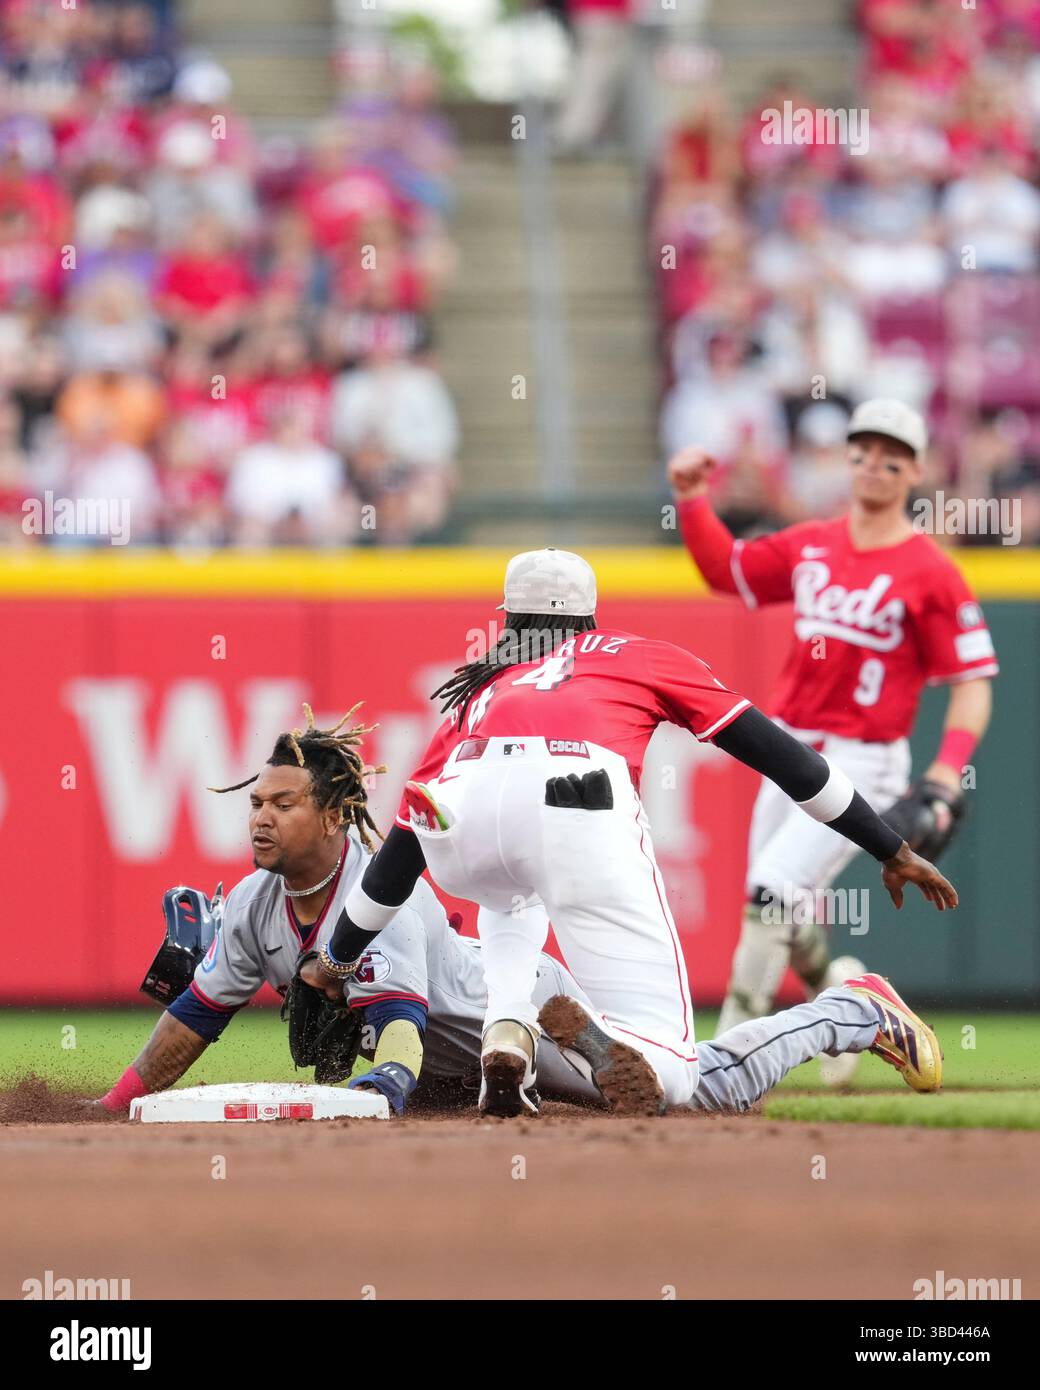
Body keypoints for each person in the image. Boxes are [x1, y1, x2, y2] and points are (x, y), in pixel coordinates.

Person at [303, 547, 957, 1117]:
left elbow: (403, 846)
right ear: (588, 617)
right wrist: (888, 846)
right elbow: (786, 759)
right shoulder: (638, 655)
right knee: (680, 1079)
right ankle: (856, 1010)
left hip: (462, 811)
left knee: (506, 894)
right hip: (577, 805)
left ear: (509, 620)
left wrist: (333, 962)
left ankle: (508, 1022)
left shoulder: (484, 688)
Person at [94, 705, 945, 1121]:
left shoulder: (379, 895)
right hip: (459, 1064)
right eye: (255, 802)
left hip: (519, 1012)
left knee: (704, 1090)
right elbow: (193, 1020)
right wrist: (111, 1107)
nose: (259, 816)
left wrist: (364, 1101)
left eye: (282, 803)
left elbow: (397, 1042)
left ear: (332, 814)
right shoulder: (251, 905)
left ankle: (853, 1009)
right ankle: (512, 1078)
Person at [667, 399, 996, 1084]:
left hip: (864, 759)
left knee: (771, 891)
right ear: (849, 460)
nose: (874, 464)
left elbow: (971, 680)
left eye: (891, 455)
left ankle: (727, 1060)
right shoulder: (813, 543)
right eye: (863, 451)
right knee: (775, 904)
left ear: (915, 470)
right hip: (789, 749)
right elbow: (724, 571)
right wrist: (693, 500)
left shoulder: (930, 569)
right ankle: (849, 996)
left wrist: (943, 774)